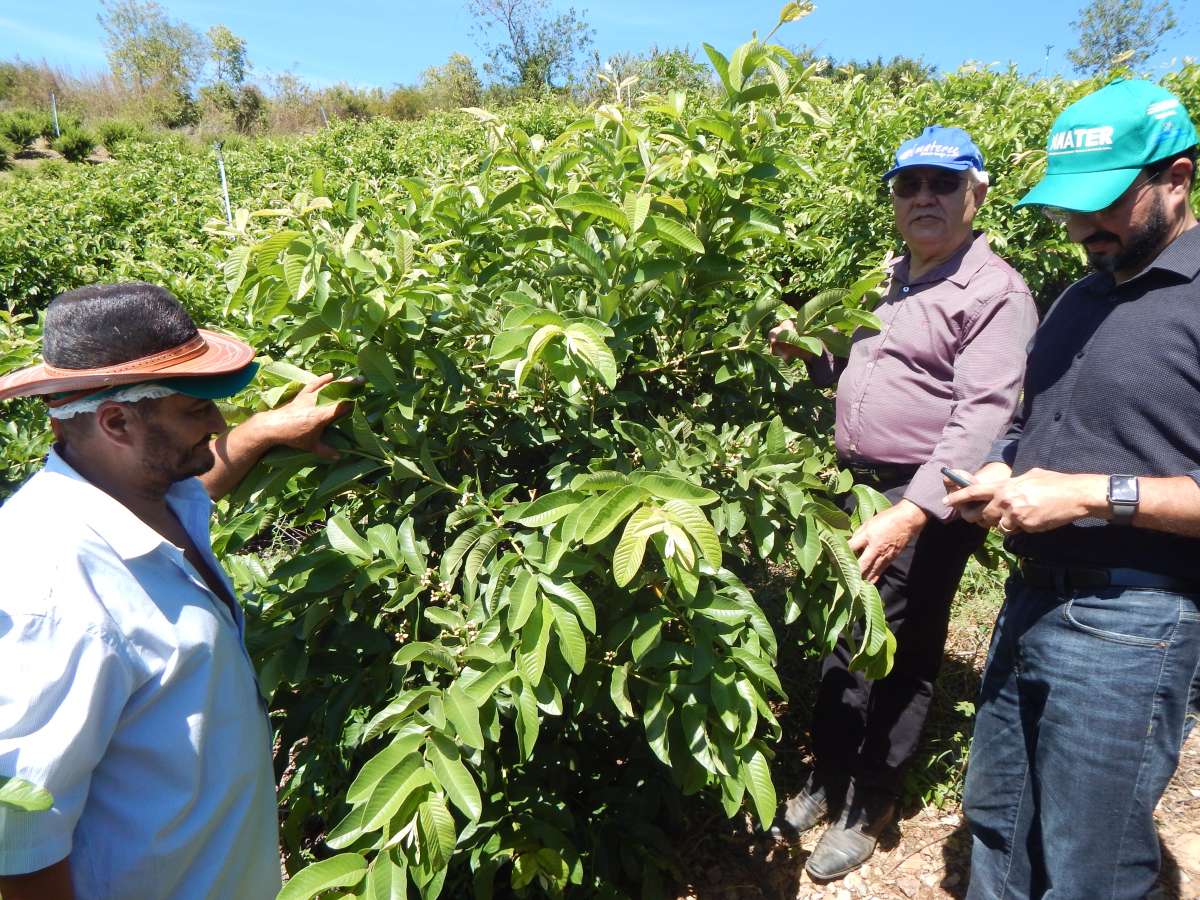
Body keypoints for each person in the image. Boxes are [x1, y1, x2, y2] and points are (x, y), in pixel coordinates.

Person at [0, 283, 350, 899]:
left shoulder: (137, 499)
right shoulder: (56, 594)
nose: (218, 424)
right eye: (196, 411)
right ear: (117, 422)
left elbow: (194, 492)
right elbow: (19, 842)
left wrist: (262, 432)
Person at [945, 79, 1200, 899]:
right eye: (1068, 208)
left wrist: (1092, 495)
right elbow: (1034, 425)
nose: (1082, 227)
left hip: (1134, 622)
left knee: (1091, 863)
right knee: (996, 823)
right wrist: (1001, 467)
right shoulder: (1079, 298)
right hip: (1033, 599)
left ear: (1177, 179)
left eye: (1105, 204)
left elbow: (1092, 480)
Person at [769, 126, 1038, 881]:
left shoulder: (995, 293)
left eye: (942, 184)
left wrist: (912, 511)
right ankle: (828, 774)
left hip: (926, 492)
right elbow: (855, 363)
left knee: (902, 642)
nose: (924, 197)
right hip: (856, 485)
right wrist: (808, 350)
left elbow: (984, 414)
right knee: (847, 632)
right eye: (908, 185)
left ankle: (871, 799)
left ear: (975, 195)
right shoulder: (887, 278)